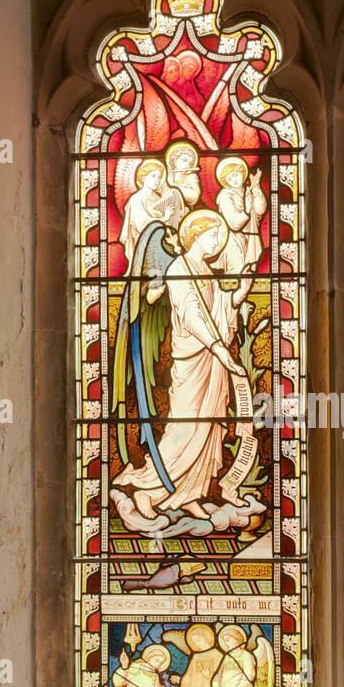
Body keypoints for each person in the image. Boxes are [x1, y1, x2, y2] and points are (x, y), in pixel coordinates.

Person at [113, 209, 248, 520]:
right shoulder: (178, 269)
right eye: (212, 235)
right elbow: (192, 317)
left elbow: (219, 312)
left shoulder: (206, 271)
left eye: (219, 236)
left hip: (212, 360)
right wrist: (219, 350)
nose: (217, 241)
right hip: (193, 359)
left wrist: (236, 296)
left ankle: (189, 492)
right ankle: (149, 490)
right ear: (195, 236)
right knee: (184, 429)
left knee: (210, 425)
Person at [214, 157, 266, 291]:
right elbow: (234, 224)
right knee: (236, 278)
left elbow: (261, 210)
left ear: (243, 174)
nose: (234, 180)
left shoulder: (248, 192)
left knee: (254, 276)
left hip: (252, 239)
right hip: (234, 243)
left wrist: (257, 190)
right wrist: (246, 211)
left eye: (236, 175)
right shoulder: (225, 196)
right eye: (229, 178)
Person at [119, 159, 166, 270]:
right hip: (143, 247)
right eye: (153, 176)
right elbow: (143, 224)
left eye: (159, 177)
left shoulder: (159, 198)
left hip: (161, 245)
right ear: (144, 178)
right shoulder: (135, 199)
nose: (157, 180)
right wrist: (165, 218)